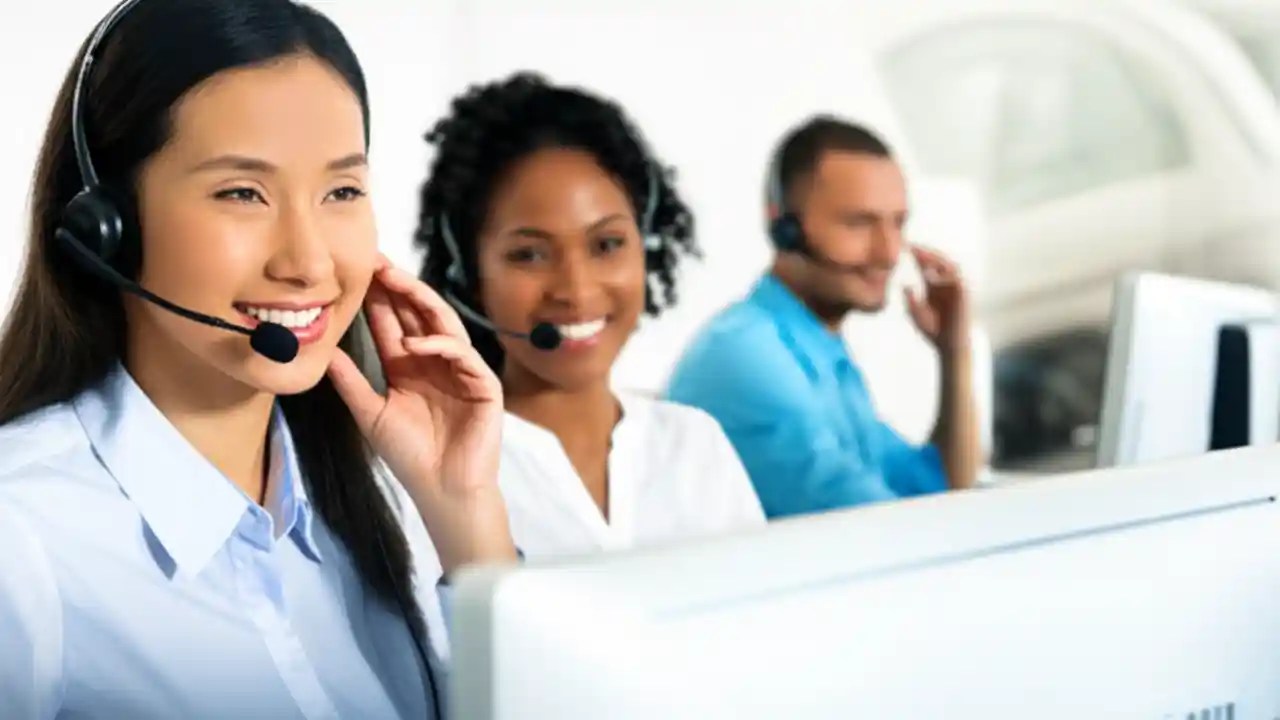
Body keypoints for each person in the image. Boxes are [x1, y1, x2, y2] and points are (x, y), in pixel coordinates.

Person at [0, 1, 516, 717]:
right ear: (107, 227)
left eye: (341, 191)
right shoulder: (22, 535)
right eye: (243, 193)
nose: (308, 262)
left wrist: (466, 515)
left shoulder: (391, 503)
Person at [415, 72, 765, 560]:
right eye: (529, 255)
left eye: (607, 244)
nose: (576, 291)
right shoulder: (434, 469)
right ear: (468, 276)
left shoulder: (694, 444)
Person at [665, 115, 981, 519]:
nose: (888, 252)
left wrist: (954, 353)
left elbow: (945, 491)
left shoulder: (820, 352)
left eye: (898, 223)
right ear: (784, 226)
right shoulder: (747, 358)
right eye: (859, 223)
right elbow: (901, 533)